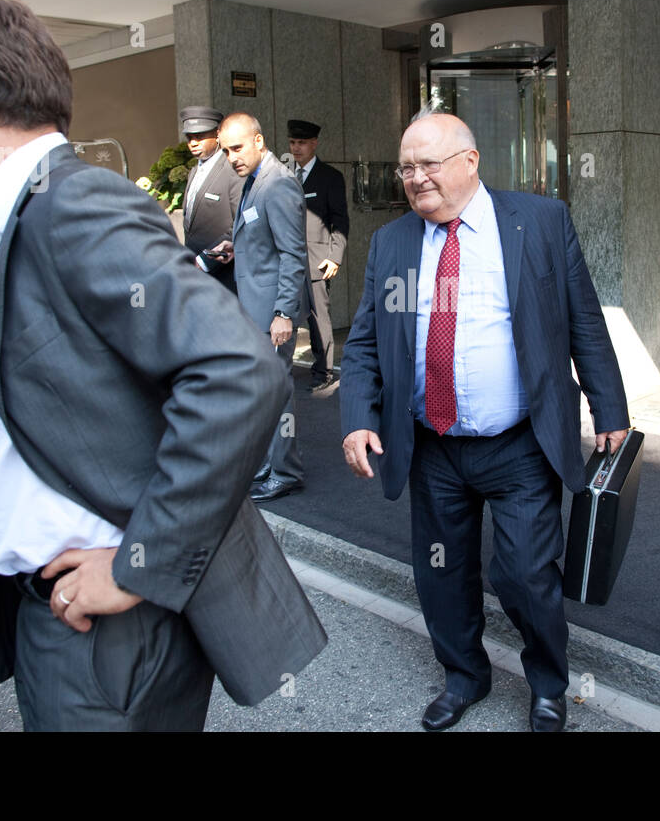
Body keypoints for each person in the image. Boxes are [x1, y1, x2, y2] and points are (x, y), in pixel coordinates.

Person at [0, 0, 326, 730]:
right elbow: (52, 389)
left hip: (105, 635)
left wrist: (142, 567)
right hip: (69, 624)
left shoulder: (71, 205)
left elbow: (240, 372)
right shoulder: (20, 213)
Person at [339, 110, 629, 732]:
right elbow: (364, 341)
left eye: (428, 165)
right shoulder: (393, 242)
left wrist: (610, 409)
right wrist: (358, 417)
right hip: (432, 446)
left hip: (520, 443)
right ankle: (464, 677)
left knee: (526, 573)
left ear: (470, 162)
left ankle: (548, 685)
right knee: (441, 573)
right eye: (406, 167)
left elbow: (584, 321)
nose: (415, 179)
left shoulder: (539, 222)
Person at [213, 112, 308, 502]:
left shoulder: (277, 183)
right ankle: (271, 463)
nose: (231, 157)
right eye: (225, 151)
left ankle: (285, 471)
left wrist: (284, 313)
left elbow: (293, 253)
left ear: (259, 141)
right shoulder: (254, 181)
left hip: (272, 314)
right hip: (257, 308)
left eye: (237, 148)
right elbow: (267, 240)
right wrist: (237, 247)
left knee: (277, 392)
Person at [287, 119, 349, 397]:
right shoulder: (284, 174)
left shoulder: (330, 177)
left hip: (317, 260)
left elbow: (340, 219)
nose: (296, 148)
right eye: (292, 143)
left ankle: (323, 371)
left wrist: (335, 256)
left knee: (317, 319)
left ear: (314, 143)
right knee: (284, 314)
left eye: (301, 143)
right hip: (287, 259)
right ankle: (280, 368)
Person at [180, 105, 243, 290]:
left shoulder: (232, 169)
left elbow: (239, 224)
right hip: (195, 274)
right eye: (189, 138)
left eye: (199, 137)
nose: (193, 143)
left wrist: (205, 261)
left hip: (224, 274)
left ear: (217, 135)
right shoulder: (194, 172)